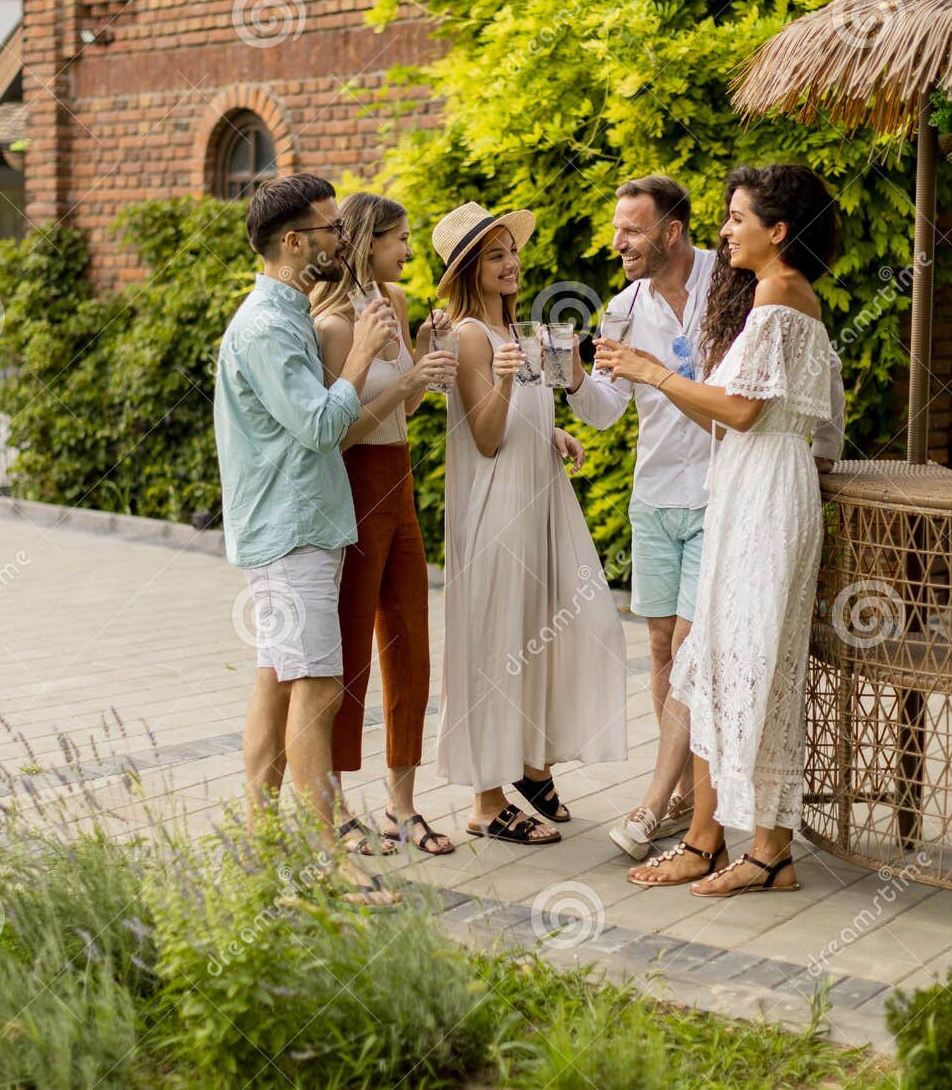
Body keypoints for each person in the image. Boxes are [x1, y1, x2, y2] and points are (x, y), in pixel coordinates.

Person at [567, 173, 844, 860]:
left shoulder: (754, 291)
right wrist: (577, 375)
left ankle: (688, 825)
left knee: (713, 657)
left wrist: (655, 371)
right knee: (684, 655)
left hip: (737, 493)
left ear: (670, 229)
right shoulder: (630, 308)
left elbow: (749, 407)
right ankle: (712, 824)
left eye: (632, 229)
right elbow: (614, 409)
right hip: (681, 491)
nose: (618, 242)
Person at [213, 173, 398, 903]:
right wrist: (362, 356)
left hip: (292, 523)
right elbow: (320, 426)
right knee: (318, 688)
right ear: (294, 243)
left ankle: (261, 847)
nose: (342, 239)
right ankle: (327, 861)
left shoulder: (282, 314)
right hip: (289, 530)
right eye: (330, 229)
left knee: (278, 680)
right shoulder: (265, 327)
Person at [433, 201, 627, 843]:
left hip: (540, 503)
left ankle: (529, 764)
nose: (511, 262)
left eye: (510, 251)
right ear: (469, 270)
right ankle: (486, 805)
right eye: (494, 255)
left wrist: (555, 435)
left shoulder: (529, 333)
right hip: (495, 516)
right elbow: (485, 436)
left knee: (567, 630)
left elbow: (522, 424)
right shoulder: (467, 337)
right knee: (495, 646)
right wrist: (511, 382)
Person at [312, 191, 459, 857]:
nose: (409, 249)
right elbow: (335, 437)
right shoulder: (334, 326)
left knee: (411, 643)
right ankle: (338, 805)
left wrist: (423, 358)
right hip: (355, 485)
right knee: (348, 652)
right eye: (401, 238)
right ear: (369, 242)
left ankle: (401, 805)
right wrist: (404, 385)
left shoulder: (396, 307)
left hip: (398, 482)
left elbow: (407, 406)